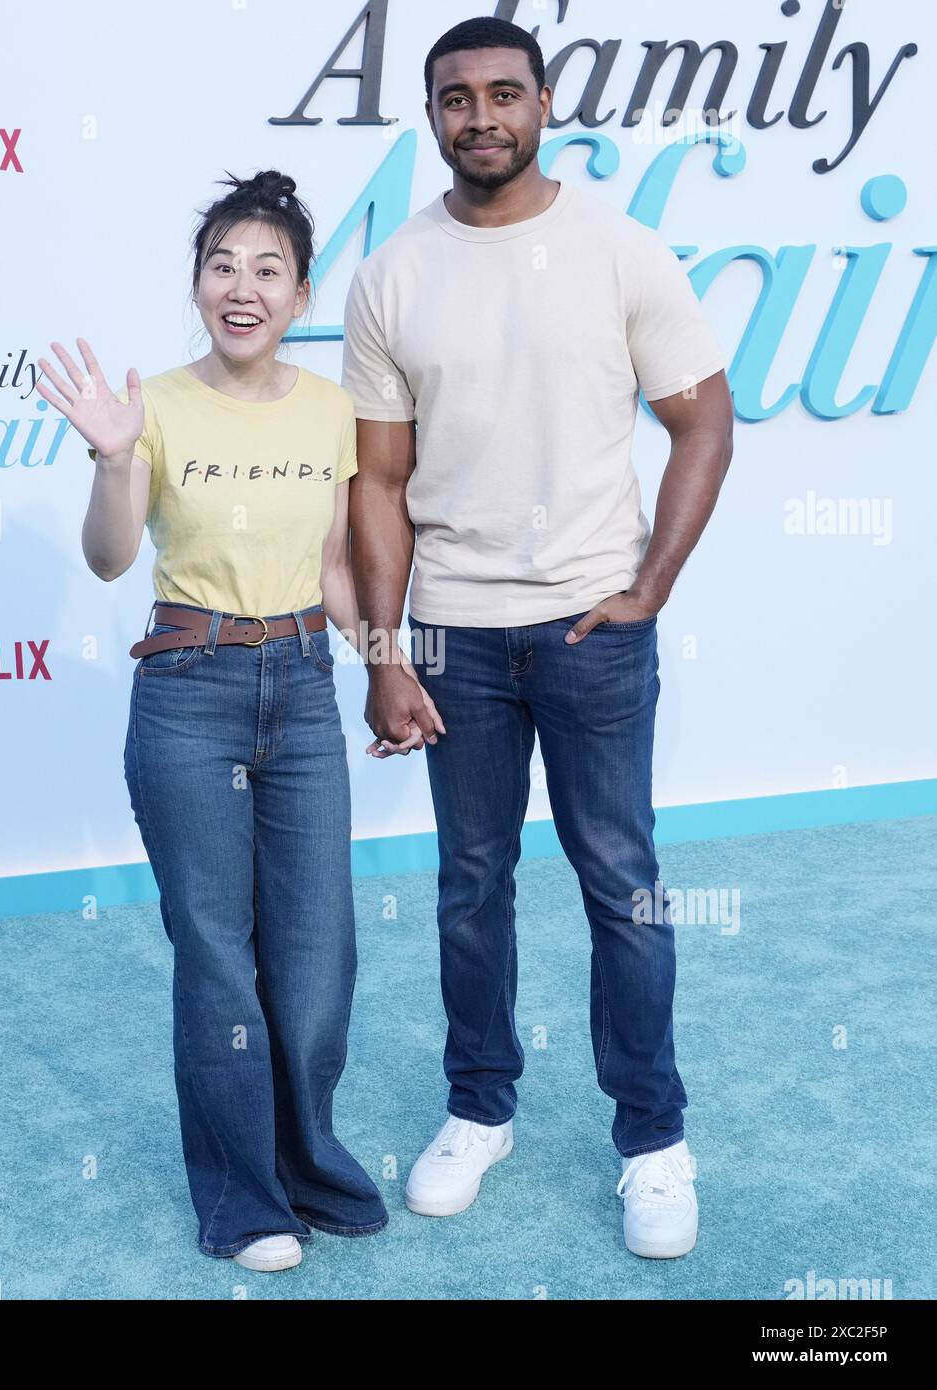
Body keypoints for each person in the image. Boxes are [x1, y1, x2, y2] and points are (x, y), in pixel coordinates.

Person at [343, 18, 733, 1259]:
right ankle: (478, 1108)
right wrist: (384, 649)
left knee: (620, 886)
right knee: (469, 889)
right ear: (430, 115)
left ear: (544, 102)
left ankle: (653, 1141)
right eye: (455, 98)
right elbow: (375, 483)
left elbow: (703, 417)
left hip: (588, 627)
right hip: (455, 628)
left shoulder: (615, 248)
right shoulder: (390, 274)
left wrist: (651, 582)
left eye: (502, 92)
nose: (480, 116)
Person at [35, 169, 429, 1272]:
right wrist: (116, 460)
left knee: (313, 958)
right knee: (215, 953)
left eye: (267, 270)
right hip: (187, 684)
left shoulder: (328, 407)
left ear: (300, 294)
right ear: (197, 285)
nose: (241, 287)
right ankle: (243, 1198)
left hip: (301, 681)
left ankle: (308, 1164)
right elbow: (111, 555)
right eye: (222, 267)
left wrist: (383, 669)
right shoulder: (151, 402)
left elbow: (340, 562)